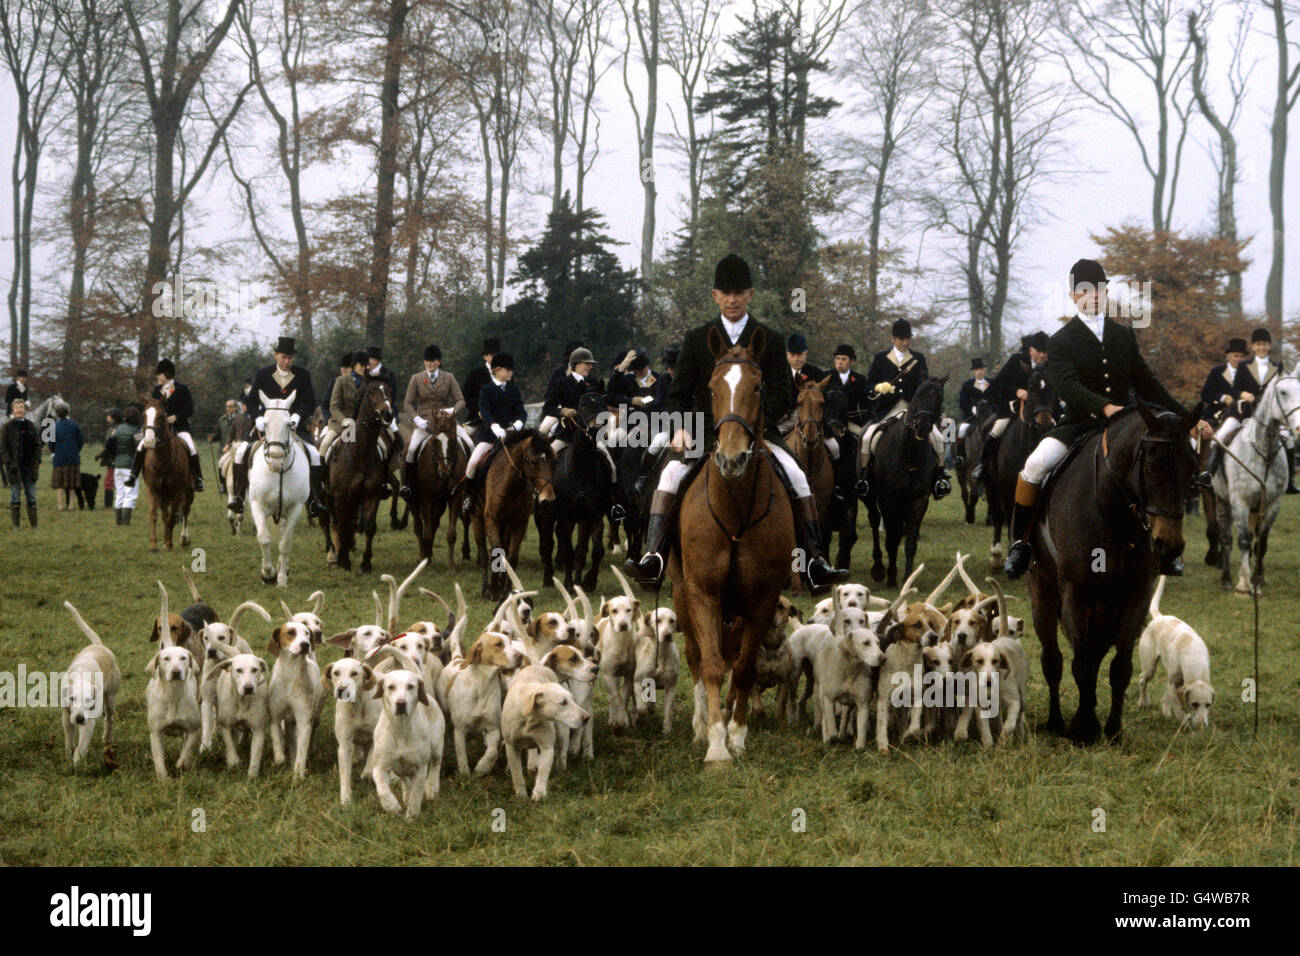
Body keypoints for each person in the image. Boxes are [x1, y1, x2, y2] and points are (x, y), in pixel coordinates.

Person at [623, 253, 848, 594]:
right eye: (726, 292)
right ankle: (654, 556)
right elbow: (678, 393)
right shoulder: (698, 338)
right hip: (701, 429)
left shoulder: (770, 338)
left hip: (756, 432)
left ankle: (814, 561)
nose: (732, 299)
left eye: (739, 292)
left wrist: (749, 422)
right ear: (715, 296)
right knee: (670, 475)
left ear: (750, 295)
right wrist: (682, 426)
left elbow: (784, 394)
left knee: (798, 476)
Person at [1004, 258, 1207, 578]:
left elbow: (1147, 382)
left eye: (1099, 289)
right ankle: (1021, 542)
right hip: (1079, 423)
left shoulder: (1123, 336)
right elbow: (1068, 385)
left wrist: (1186, 419)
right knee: (1035, 465)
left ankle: (1166, 548)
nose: (1094, 295)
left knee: (1160, 465)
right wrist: (1103, 406)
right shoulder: (1060, 341)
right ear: (1074, 296)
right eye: (1086, 291)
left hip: (1124, 424)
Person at [229, 336, 326, 517]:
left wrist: (298, 415)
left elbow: (310, 402)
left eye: (290, 358)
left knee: (314, 454)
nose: (286, 362)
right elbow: (251, 402)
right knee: (242, 451)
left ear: (293, 358)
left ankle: (314, 500)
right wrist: (257, 417)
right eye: (283, 357)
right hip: (265, 424)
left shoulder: (302, 374)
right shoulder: (263, 373)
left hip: (294, 425)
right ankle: (239, 496)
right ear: (276, 355)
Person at [860, 319, 951, 499]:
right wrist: (879, 387)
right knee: (867, 437)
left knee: (938, 438)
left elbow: (924, 385)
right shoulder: (880, 358)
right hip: (887, 411)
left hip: (913, 410)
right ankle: (864, 479)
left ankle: (940, 478)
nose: (906, 343)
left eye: (908, 338)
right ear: (892, 338)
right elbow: (868, 385)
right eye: (902, 339)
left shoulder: (918, 358)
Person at [973, 332, 1049, 482]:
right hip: (1012, 407)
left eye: (1045, 352)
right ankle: (983, 466)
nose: (1042, 356)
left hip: (1042, 409)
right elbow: (998, 383)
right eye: (1039, 351)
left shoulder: (1050, 365)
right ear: (1031, 350)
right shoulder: (1017, 360)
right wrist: (1017, 391)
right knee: (998, 429)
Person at [399, 343, 468, 501]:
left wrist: (452, 411)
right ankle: (406, 485)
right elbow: (408, 404)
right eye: (427, 361)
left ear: (439, 362)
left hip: (447, 422)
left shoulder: (449, 377)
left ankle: (468, 486)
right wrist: (417, 419)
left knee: (469, 444)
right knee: (409, 451)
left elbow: (460, 400)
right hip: (426, 423)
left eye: (433, 361)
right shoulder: (416, 379)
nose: (429, 363)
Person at [462, 351, 526, 516]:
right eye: (508, 369)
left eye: (512, 370)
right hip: (490, 436)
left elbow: (521, 411)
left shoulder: (514, 389)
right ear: (497, 370)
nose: (511, 372)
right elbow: (485, 410)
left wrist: (518, 425)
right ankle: (470, 498)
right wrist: (494, 427)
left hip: (511, 437)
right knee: (472, 464)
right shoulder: (486, 390)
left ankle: (530, 497)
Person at [123, 359, 203, 492]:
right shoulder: (157, 390)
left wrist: (175, 417)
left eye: (159, 374)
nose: (157, 377)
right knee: (141, 445)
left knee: (191, 447)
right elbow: (152, 407)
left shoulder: (182, 389)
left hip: (179, 427)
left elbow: (189, 410)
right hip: (159, 429)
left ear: (167, 374)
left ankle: (198, 478)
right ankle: (133, 475)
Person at [1197, 337, 1260, 486]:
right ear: (1228, 356)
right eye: (1235, 356)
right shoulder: (1217, 371)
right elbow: (1205, 394)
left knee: (1253, 440)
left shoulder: (1250, 373)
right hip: (1217, 415)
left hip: (1243, 416)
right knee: (1203, 441)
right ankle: (1202, 475)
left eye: (1241, 356)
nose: (1238, 359)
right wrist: (1222, 397)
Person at [1241, 326, 1298, 494]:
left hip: (1272, 415)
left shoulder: (1277, 367)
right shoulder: (1244, 366)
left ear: (1269, 346)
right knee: (1228, 435)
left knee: (1288, 440)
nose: (1261, 347)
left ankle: (1288, 481)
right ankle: (1212, 472)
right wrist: (1243, 393)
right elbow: (1236, 387)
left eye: (1265, 344)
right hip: (1248, 413)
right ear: (1253, 347)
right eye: (1258, 344)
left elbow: (1285, 388)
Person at [318, 350, 370, 465]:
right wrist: (344, 420)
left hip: (362, 426)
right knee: (324, 445)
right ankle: (319, 478)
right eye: (362, 365)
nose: (364, 368)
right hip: (342, 425)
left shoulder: (369, 382)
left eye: (366, 366)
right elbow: (334, 406)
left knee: (383, 448)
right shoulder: (340, 381)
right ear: (354, 365)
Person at [1, 397, 40, 527]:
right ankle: (16, 526)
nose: (19, 410)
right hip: (14, 468)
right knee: (15, 497)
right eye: (17, 408)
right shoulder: (7, 427)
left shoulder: (31, 426)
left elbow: (37, 446)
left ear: (25, 410)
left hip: (29, 467)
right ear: (13, 410)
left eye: (21, 408)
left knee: (32, 497)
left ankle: (34, 525)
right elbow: (3, 448)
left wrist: (37, 461)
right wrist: (9, 462)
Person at [47, 400, 85, 511]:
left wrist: (56, 451)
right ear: (68, 412)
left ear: (57, 413)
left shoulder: (54, 426)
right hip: (73, 458)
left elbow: (51, 444)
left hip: (59, 459)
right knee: (72, 484)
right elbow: (81, 441)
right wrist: (75, 450)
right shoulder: (74, 425)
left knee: (60, 484)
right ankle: (71, 505)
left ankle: (60, 506)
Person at [954, 357, 991, 468]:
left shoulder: (992, 383)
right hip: (972, 418)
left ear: (984, 370)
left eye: (981, 369)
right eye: (976, 369)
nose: (979, 371)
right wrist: (972, 409)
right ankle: (960, 456)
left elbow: (996, 400)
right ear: (974, 371)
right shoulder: (967, 385)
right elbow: (962, 403)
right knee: (961, 429)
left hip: (990, 417)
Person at [109, 407, 141, 524]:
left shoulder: (117, 429)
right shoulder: (137, 431)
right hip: (130, 467)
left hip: (118, 465)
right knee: (130, 494)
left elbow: (109, 445)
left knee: (120, 493)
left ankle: (118, 521)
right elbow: (140, 449)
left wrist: (114, 459)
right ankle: (126, 522)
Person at [462, 337, 500, 431]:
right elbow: (467, 397)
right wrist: (479, 411)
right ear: (485, 356)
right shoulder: (475, 375)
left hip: (501, 419)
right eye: (492, 355)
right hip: (478, 419)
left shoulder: (507, 374)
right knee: (465, 441)